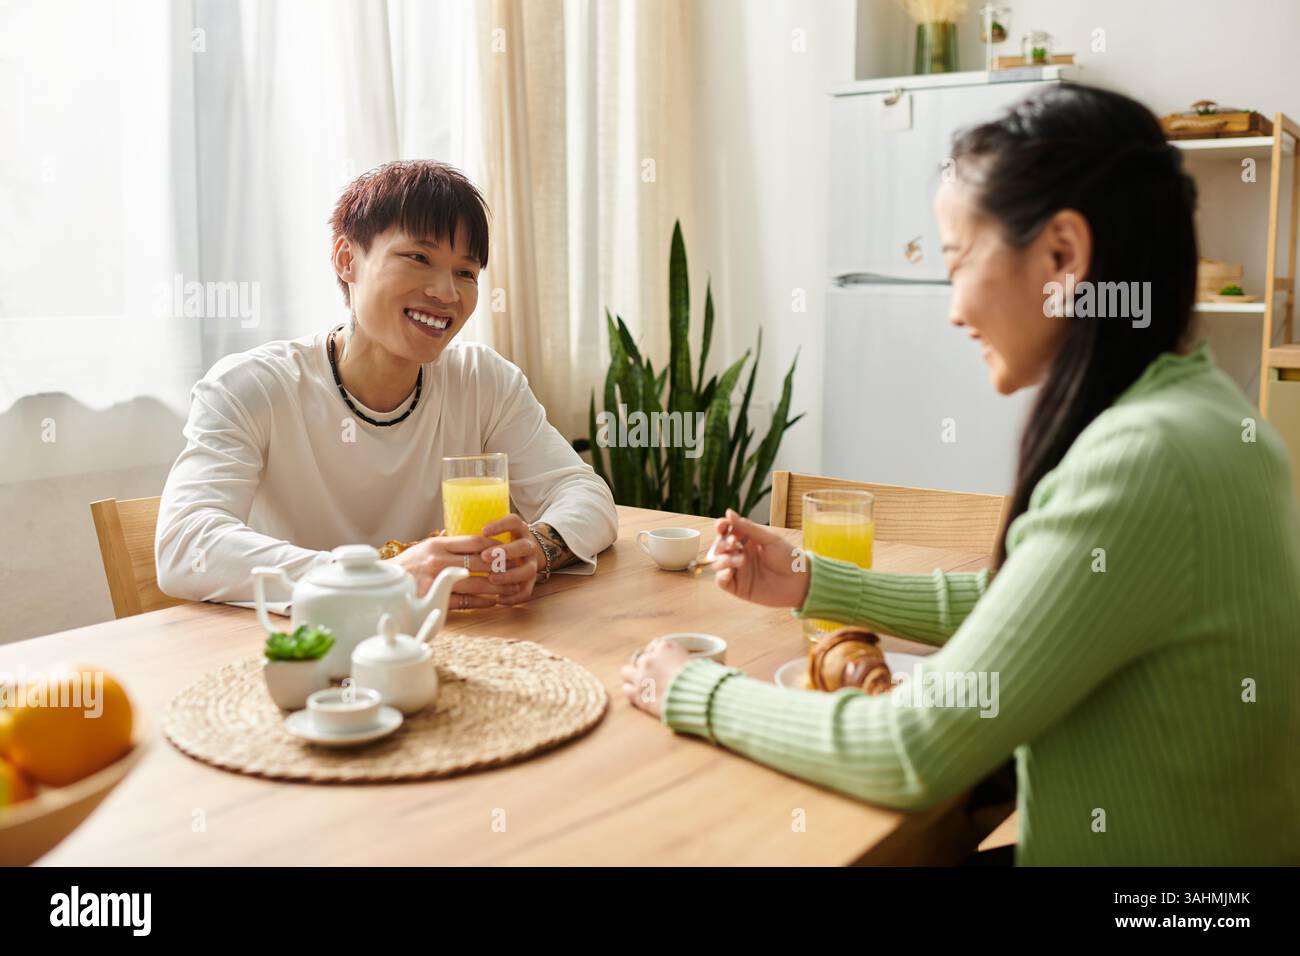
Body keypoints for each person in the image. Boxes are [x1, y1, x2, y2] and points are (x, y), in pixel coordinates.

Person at [622, 85, 1300, 865]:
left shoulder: (1145, 460)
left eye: (957, 259)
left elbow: (910, 750)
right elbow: (1027, 602)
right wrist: (812, 580)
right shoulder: (1207, 412)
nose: (951, 309)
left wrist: (693, 691)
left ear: (1063, 257)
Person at [156, 160, 617, 609]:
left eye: (465, 272)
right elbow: (185, 543)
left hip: (451, 646)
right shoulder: (250, 388)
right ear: (346, 260)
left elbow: (585, 495)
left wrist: (538, 547)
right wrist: (378, 578)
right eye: (419, 258)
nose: (446, 293)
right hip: (302, 656)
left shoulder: (483, 381)